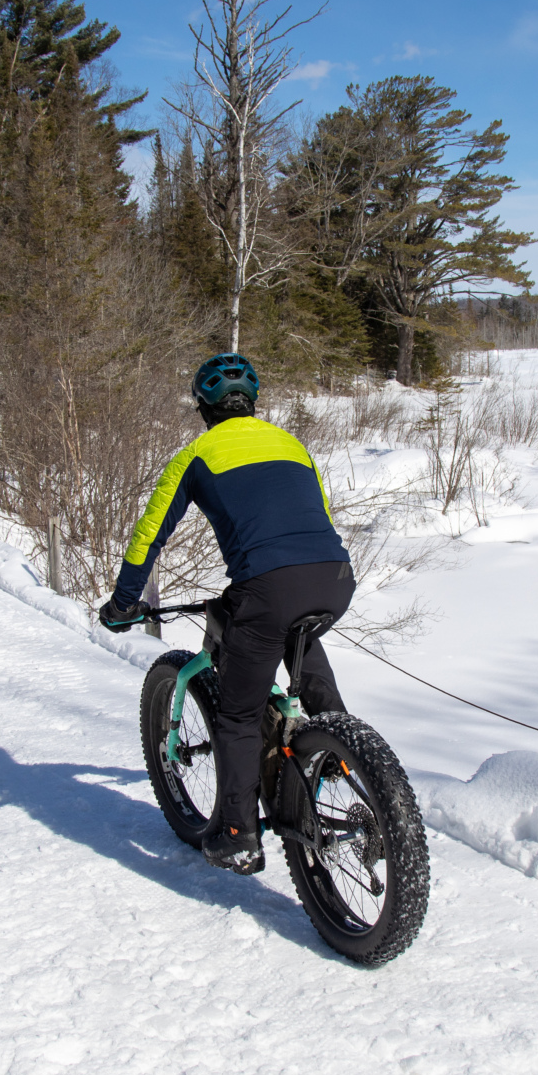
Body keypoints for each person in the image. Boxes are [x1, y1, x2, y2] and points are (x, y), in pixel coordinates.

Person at [98, 353, 354, 874]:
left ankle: (238, 834)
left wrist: (124, 602)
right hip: (335, 577)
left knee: (238, 712)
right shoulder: (292, 444)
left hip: (265, 587)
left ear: (203, 408)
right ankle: (341, 745)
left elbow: (150, 535)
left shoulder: (198, 454)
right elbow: (320, 515)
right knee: (289, 632)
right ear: (253, 403)